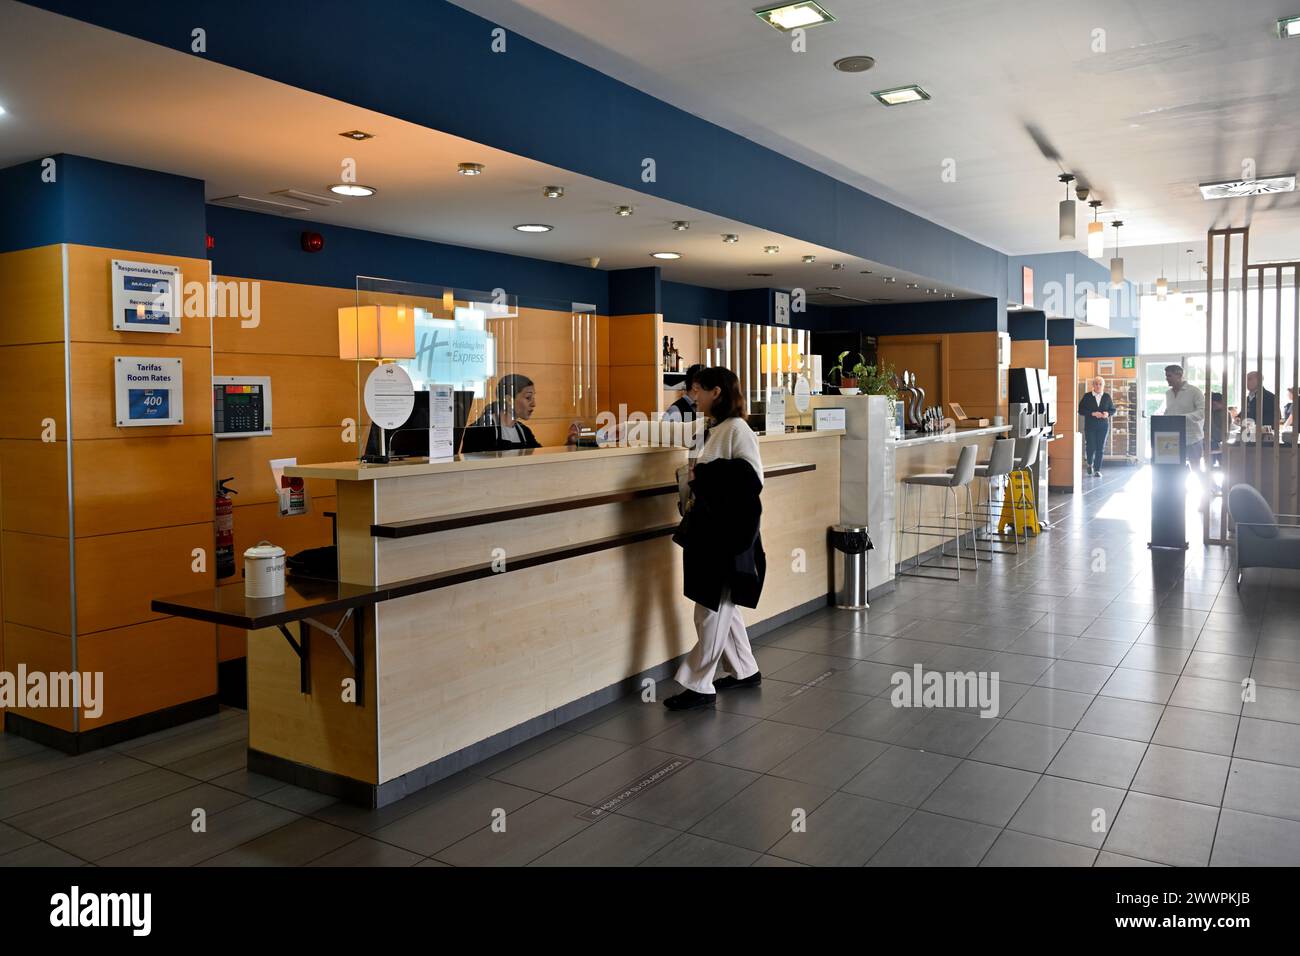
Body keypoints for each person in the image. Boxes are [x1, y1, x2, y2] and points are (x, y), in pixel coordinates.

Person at [664, 367, 765, 711]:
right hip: (709, 532)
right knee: (723, 605)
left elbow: (752, 481)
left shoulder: (737, 430)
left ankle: (698, 682)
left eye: (699, 390)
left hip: (725, 535)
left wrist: (703, 475)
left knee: (710, 609)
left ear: (716, 392)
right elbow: (671, 433)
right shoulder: (710, 428)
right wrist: (624, 428)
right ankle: (744, 669)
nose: (694, 396)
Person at [461, 373, 578, 452]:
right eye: (528, 398)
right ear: (508, 399)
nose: (533, 404)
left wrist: (570, 442)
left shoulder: (525, 432)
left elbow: (541, 460)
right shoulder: (479, 430)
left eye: (533, 398)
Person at [1160, 364, 1205, 465]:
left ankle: (1207, 482)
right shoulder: (1168, 393)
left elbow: (1202, 412)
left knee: (1196, 469)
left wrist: (1182, 418)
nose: (1166, 379)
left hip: (1192, 438)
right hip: (1173, 438)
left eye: (1169, 376)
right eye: (1166, 376)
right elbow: (1169, 411)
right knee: (1176, 469)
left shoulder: (1194, 391)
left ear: (1179, 375)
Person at [1077, 376, 1114, 478]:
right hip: (1090, 425)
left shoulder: (1107, 396)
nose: (1098, 386)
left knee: (1100, 448)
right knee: (1091, 446)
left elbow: (1113, 409)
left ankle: (1097, 470)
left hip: (1103, 426)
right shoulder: (1087, 396)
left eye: (1100, 384)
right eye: (1096, 384)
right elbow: (1080, 410)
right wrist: (1093, 413)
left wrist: (1108, 413)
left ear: (1103, 386)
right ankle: (1089, 464)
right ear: (1093, 385)